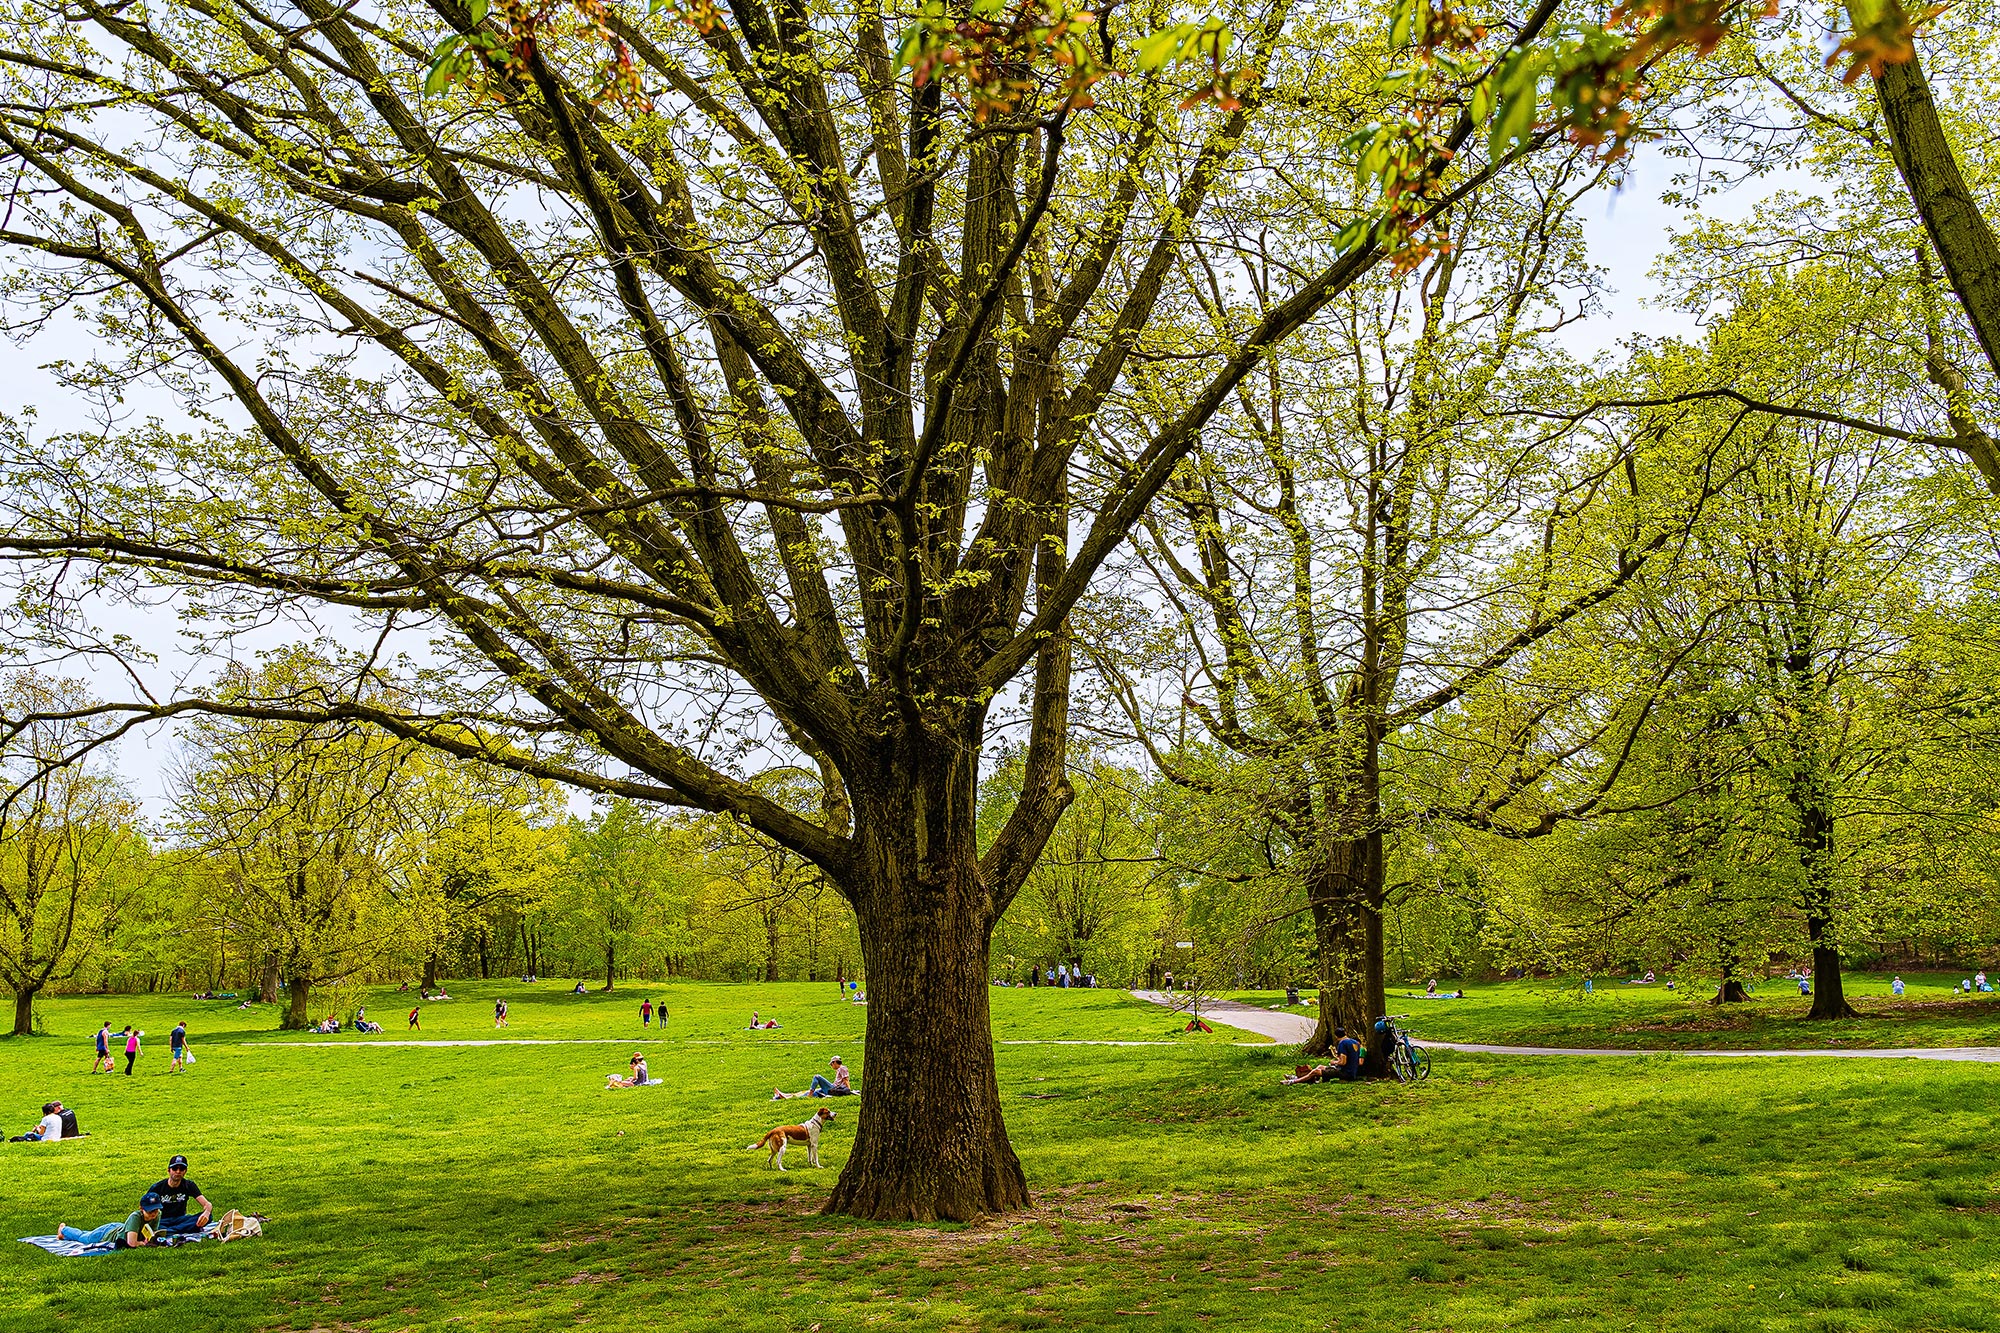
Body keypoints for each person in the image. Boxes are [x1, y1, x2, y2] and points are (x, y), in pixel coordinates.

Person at [59, 1192, 165, 1249]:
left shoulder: (157, 1214)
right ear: (141, 1209)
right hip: (108, 1233)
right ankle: (64, 1229)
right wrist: (143, 1244)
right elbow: (131, 1243)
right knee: (83, 1237)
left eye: (156, 1210)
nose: (154, 1214)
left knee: (87, 1234)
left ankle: (66, 1233)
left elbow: (151, 1234)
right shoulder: (135, 1217)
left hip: (121, 1228)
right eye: (150, 1211)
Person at [149, 1154, 213, 1235]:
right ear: (169, 1170)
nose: (178, 1171)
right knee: (152, 1225)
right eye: (175, 1168)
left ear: (185, 1171)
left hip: (180, 1219)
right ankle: (180, 1230)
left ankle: (168, 1232)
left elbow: (207, 1204)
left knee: (209, 1217)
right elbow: (145, 1208)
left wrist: (206, 1213)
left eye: (181, 1169)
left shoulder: (189, 1185)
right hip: (162, 1220)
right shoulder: (157, 1188)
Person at [776, 1056, 856, 1100]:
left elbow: (846, 1080)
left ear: (834, 1062)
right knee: (814, 1092)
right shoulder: (839, 1069)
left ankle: (809, 1095)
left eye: (831, 1064)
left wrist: (849, 1091)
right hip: (833, 1087)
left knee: (817, 1077)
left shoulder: (842, 1068)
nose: (831, 1066)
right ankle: (787, 1096)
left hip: (834, 1089)